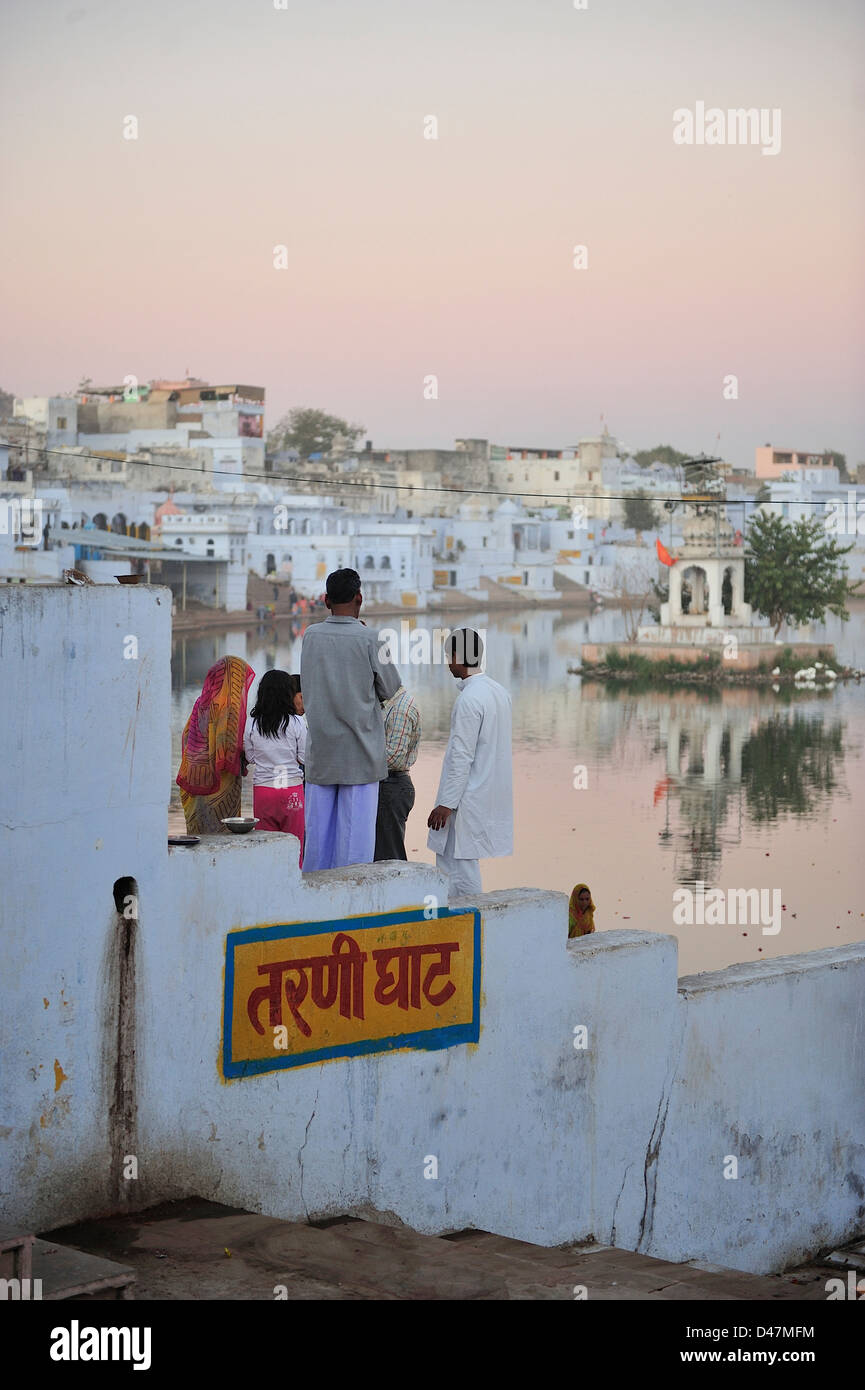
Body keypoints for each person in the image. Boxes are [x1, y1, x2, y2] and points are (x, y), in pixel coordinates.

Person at [300, 568, 401, 870]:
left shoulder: (310, 636)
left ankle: (314, 909)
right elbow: (391, 688)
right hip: (361, 755)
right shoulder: (373, 640)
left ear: (326, 600)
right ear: (359, 598)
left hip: (322, 754)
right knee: (354, 850)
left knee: (318, 845)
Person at [427, 629, 513, 897]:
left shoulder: (469, 699)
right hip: (486, 793)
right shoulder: (499, 692)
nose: (447, 663)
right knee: (461, 863)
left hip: (466, 798)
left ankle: (466, 923)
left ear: (456, 656)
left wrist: (446, 804)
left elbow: (461, 756)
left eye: (447, 657)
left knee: (458, 867)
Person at [176, 656, 255, 833]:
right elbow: (229, 748)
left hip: (194, 781)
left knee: (200, 840)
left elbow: (187, 737)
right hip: (220, 786)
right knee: (223, 840)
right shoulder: (227, 709)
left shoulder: (200, 702)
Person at [243, 670, 306, 862]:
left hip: (264, 792)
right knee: (295, 848)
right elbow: (304, 757)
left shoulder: (252, 722)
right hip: (291, 791)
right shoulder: (296, 722)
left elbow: (250, 756)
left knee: (266, 849)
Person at [374, 684, 421, 862]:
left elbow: (394, 759)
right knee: (383, 854)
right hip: (389, 785)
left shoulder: (400, 708)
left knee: (389, 857)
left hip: (391, 786)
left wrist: (360, 760)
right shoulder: (389, 705)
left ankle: (398, 890)